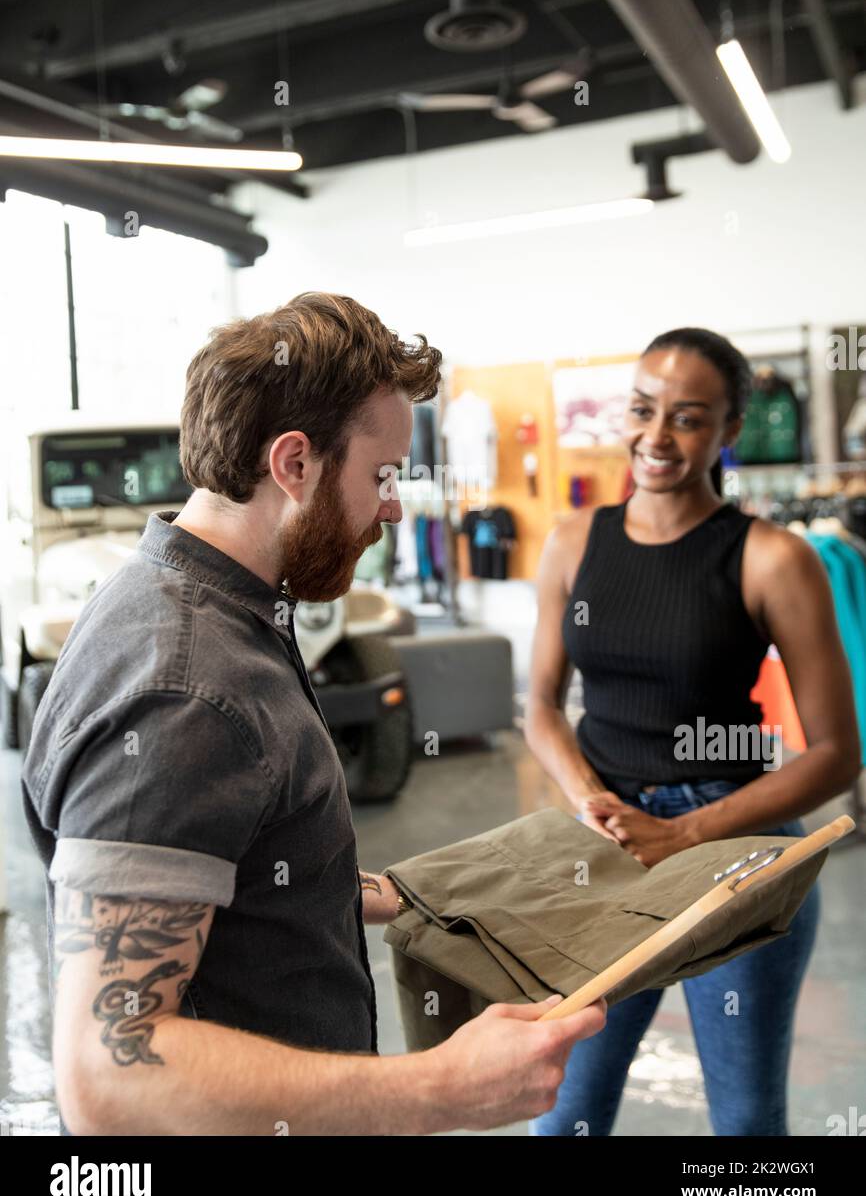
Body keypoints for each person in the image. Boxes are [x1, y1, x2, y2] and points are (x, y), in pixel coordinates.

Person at [22, 291, 606, 1137]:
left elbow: (233, 853)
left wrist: (361, 891)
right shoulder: (186, 690)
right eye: (381, 476)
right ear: (293, 464)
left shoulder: (207, 600)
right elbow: (110, 1072)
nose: (394, 508)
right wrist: (441, 1087)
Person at [525, 327, 860, 1137]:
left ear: (728, 431)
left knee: (744, 1128)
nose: (657, 436)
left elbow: (837, 755)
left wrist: (680, 834)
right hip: (604, 845)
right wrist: (593, 802)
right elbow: (537, 706)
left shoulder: (772, 558)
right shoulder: (574, 542)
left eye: (689, 417)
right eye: (643, 410)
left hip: (733, 851)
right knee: (562, 1113)